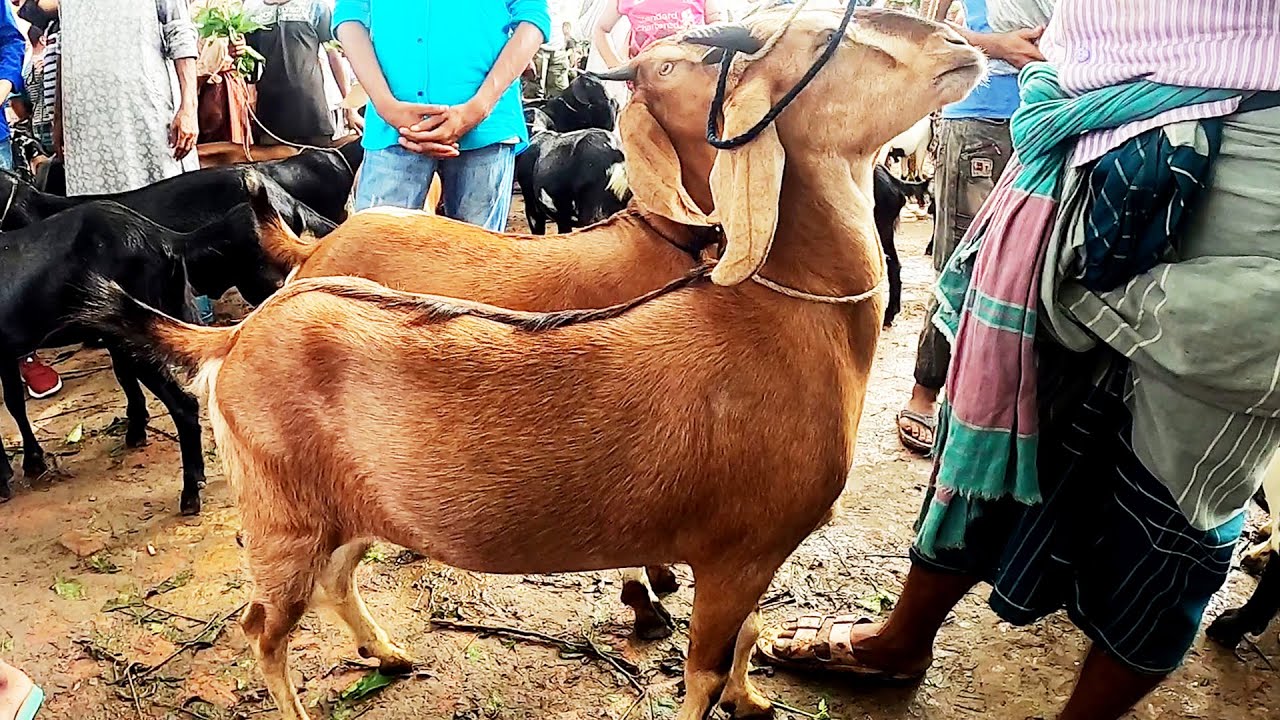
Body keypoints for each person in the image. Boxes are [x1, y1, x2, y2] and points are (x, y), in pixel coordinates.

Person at [757, 2, 1280, 719]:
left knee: (1184, 490)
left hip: (1257, 152)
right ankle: (901, 639)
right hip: (1073, 130)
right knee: (997, 401)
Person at [896, 0, 1053, 454]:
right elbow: (925, 29)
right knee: (961, 266)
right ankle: (925, 394)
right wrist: (996, 47)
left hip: (1056, 112)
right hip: (983, 117)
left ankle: (997, 409)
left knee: (1032, 269)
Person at [334, 0, 550, 230]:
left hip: (485, 129)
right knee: (375, 254)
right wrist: (385, 105)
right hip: (393, 129)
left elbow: (533, 16)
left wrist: (479, 107)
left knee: (476, 260)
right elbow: (349, 15)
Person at [56, 0, 199, 196]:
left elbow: (180, 32)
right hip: (85, 132)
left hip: (142, 120)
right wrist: (58, 117)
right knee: (95, 214)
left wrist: (189, 108)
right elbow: (64, 46)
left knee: (161, 206)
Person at [236, 0, 355, 147]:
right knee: (272, 167)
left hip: (312, 113)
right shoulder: (251, 10)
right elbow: (250, 70)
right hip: (271, 116)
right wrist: (238, 52)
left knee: (320, 166)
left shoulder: (314, 5)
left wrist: (351, 108)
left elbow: (334, 55)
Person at [592, 0, 723, 69]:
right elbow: (601, 29)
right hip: (648, 83)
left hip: (694, 74)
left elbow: (716, 22)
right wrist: (616, 66)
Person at [524, 0, 576, 101]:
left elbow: (567, 22)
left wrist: (571, 47)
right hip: (536, 49)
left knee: (560, 96)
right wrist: (527, 55)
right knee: (533, 96)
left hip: (558, 50)